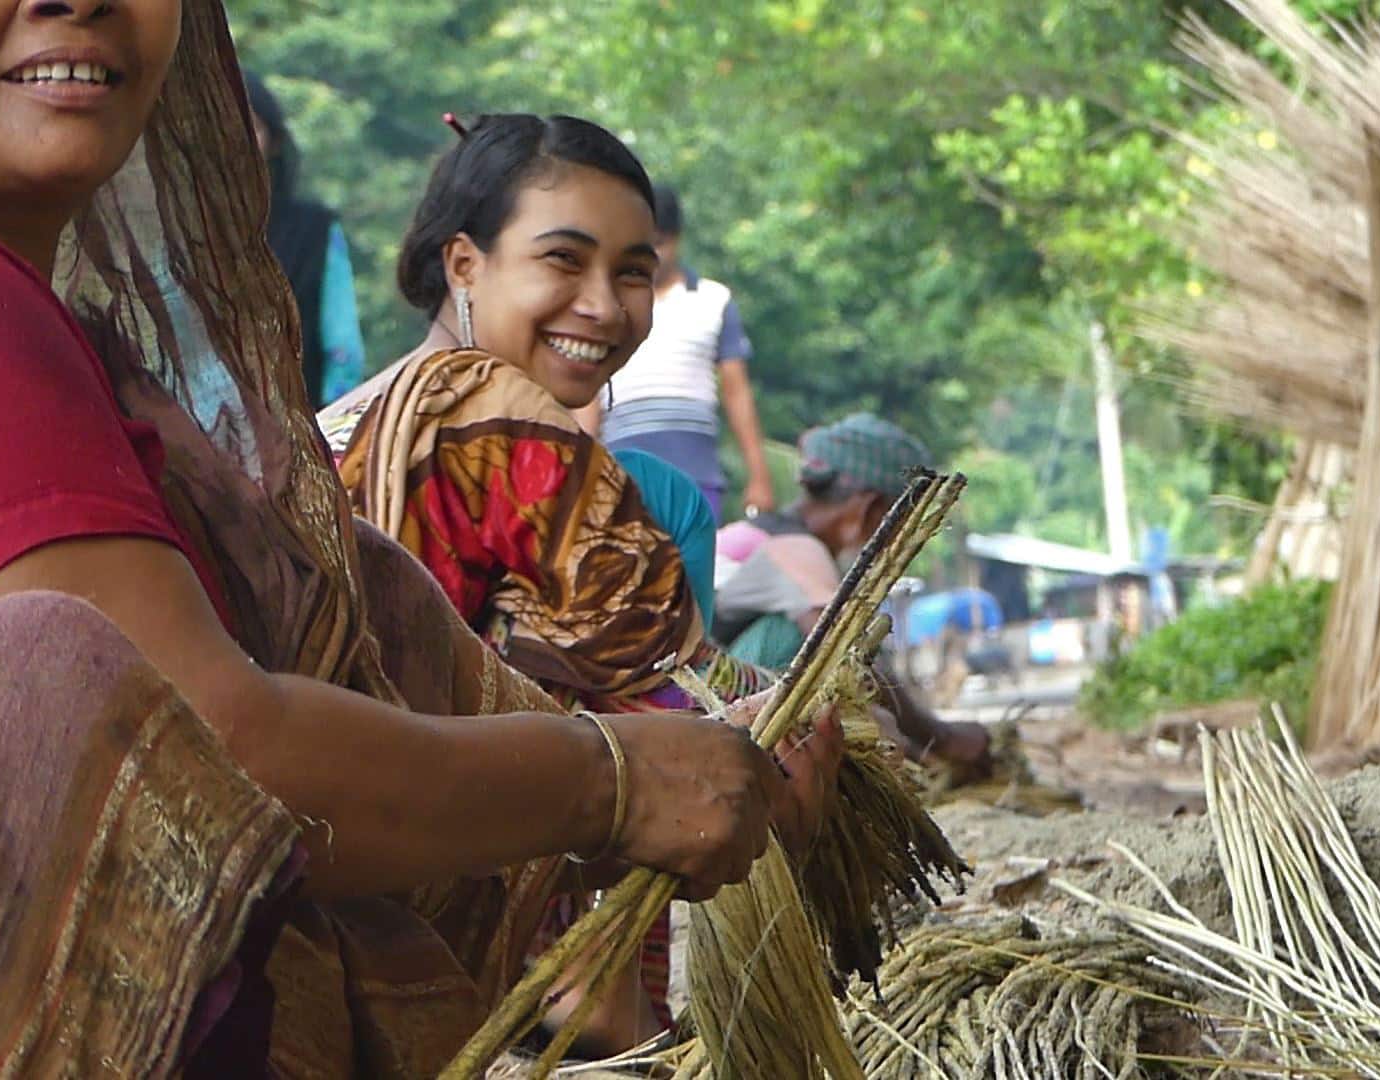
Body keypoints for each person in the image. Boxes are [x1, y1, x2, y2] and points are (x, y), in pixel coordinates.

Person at [0, 1, 823, 1074]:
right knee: (46, 676)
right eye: (566, 263)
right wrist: (615, 784)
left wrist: (694, 760)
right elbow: (206, 745)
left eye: (634, 274)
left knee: (354, 592)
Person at [319, 115, 832, 1052]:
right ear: (464, 264)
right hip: (431, 852)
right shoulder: (507, 423)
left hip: (334, 854)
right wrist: (800, 730)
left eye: (634, 272)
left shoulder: (339, 422)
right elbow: (662, 673)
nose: (604, 305)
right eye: (564, 260)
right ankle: (597, 999)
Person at [716, 414, 994, 776]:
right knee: (815, 653)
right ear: (871, 509)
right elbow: (845, 655)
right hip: (711, 716)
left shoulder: (762, 534)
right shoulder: (794, 548)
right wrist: (942, 737)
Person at [577, 184, 776, 518]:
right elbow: (589, 392)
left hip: (696, 477)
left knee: (693, 568)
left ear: (677, 239)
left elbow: (737, 392)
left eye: (658, 243)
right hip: (621, 478)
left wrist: (759, 476)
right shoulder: (607, 305)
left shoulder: (714, 301)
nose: (651, 255)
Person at [244, 70, 367, 408]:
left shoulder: (317, 231)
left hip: (301, 434)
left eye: (249, 127)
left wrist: (326, 432)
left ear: (275, 141)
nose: (233, 139)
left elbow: (344, 351)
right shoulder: (180, 232)